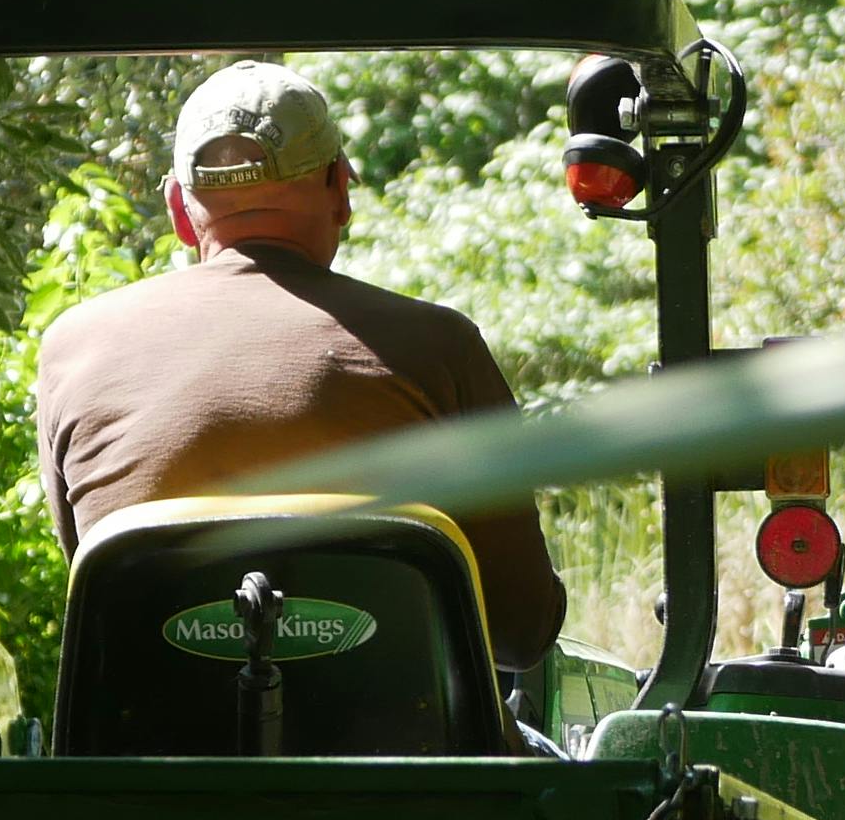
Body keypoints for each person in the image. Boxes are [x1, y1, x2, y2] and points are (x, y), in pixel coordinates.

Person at [34, 61, 567, 662]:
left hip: (149, 749)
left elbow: (93, 585)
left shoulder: (72, 347)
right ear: (340, 188)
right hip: (397, 749)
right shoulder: (438, 347)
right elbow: (520, 632)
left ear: (180, 212)